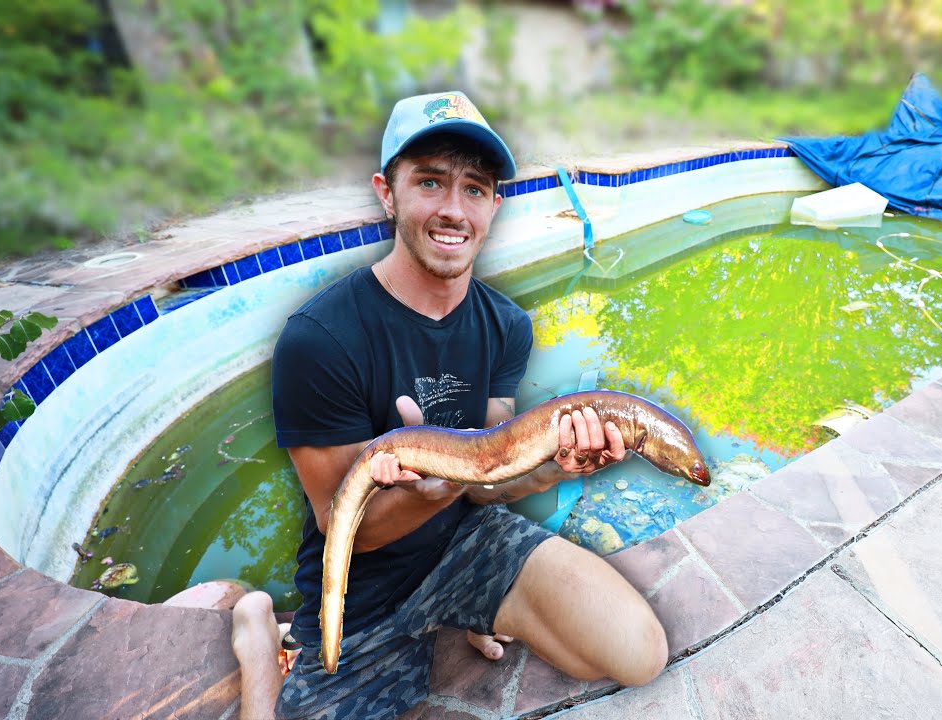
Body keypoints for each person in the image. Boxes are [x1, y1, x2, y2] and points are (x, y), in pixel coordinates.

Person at [230, 90, 668, 720]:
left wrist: (554, 467)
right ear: (388, 192)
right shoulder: (319, 339)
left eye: (475, 188)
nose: (453, 210)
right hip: (363, 586)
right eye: (430, 182)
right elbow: (340, 523)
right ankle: (255, 632)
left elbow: (491, 480)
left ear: (494, 203)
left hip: (467, 542)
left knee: (638, 652)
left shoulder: (506, 326)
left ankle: (472, 612)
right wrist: (431, 490)